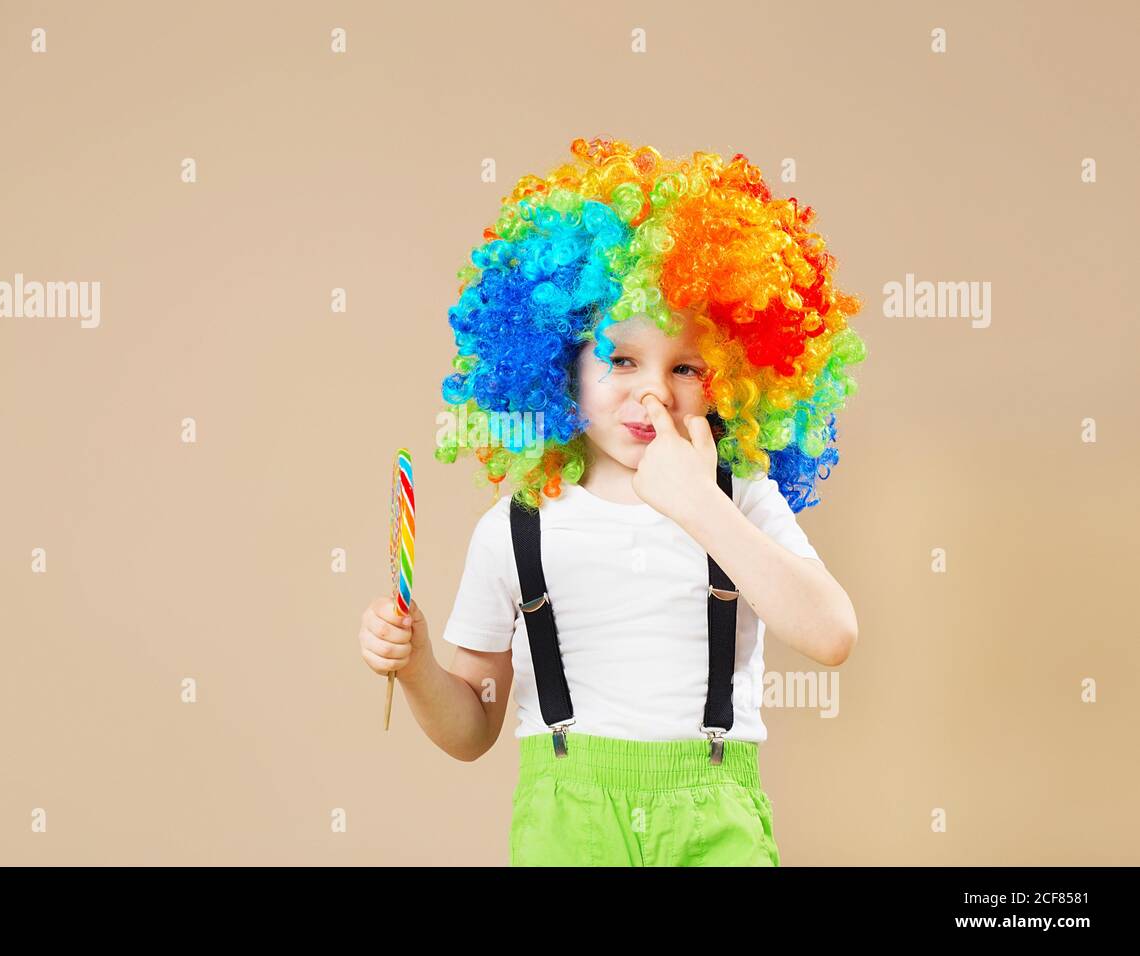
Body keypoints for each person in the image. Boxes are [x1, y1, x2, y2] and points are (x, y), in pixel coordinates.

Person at [358, 136, 866, 865]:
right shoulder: (517, 528)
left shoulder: (737, 501)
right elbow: (473, 729)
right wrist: (415, 669)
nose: (653, 391)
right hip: (568, 822)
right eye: (620, 358)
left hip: (713, 816)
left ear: (731, 375)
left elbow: (832, 634)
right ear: (559, 362)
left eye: (685, 366)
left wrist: (700, 507)